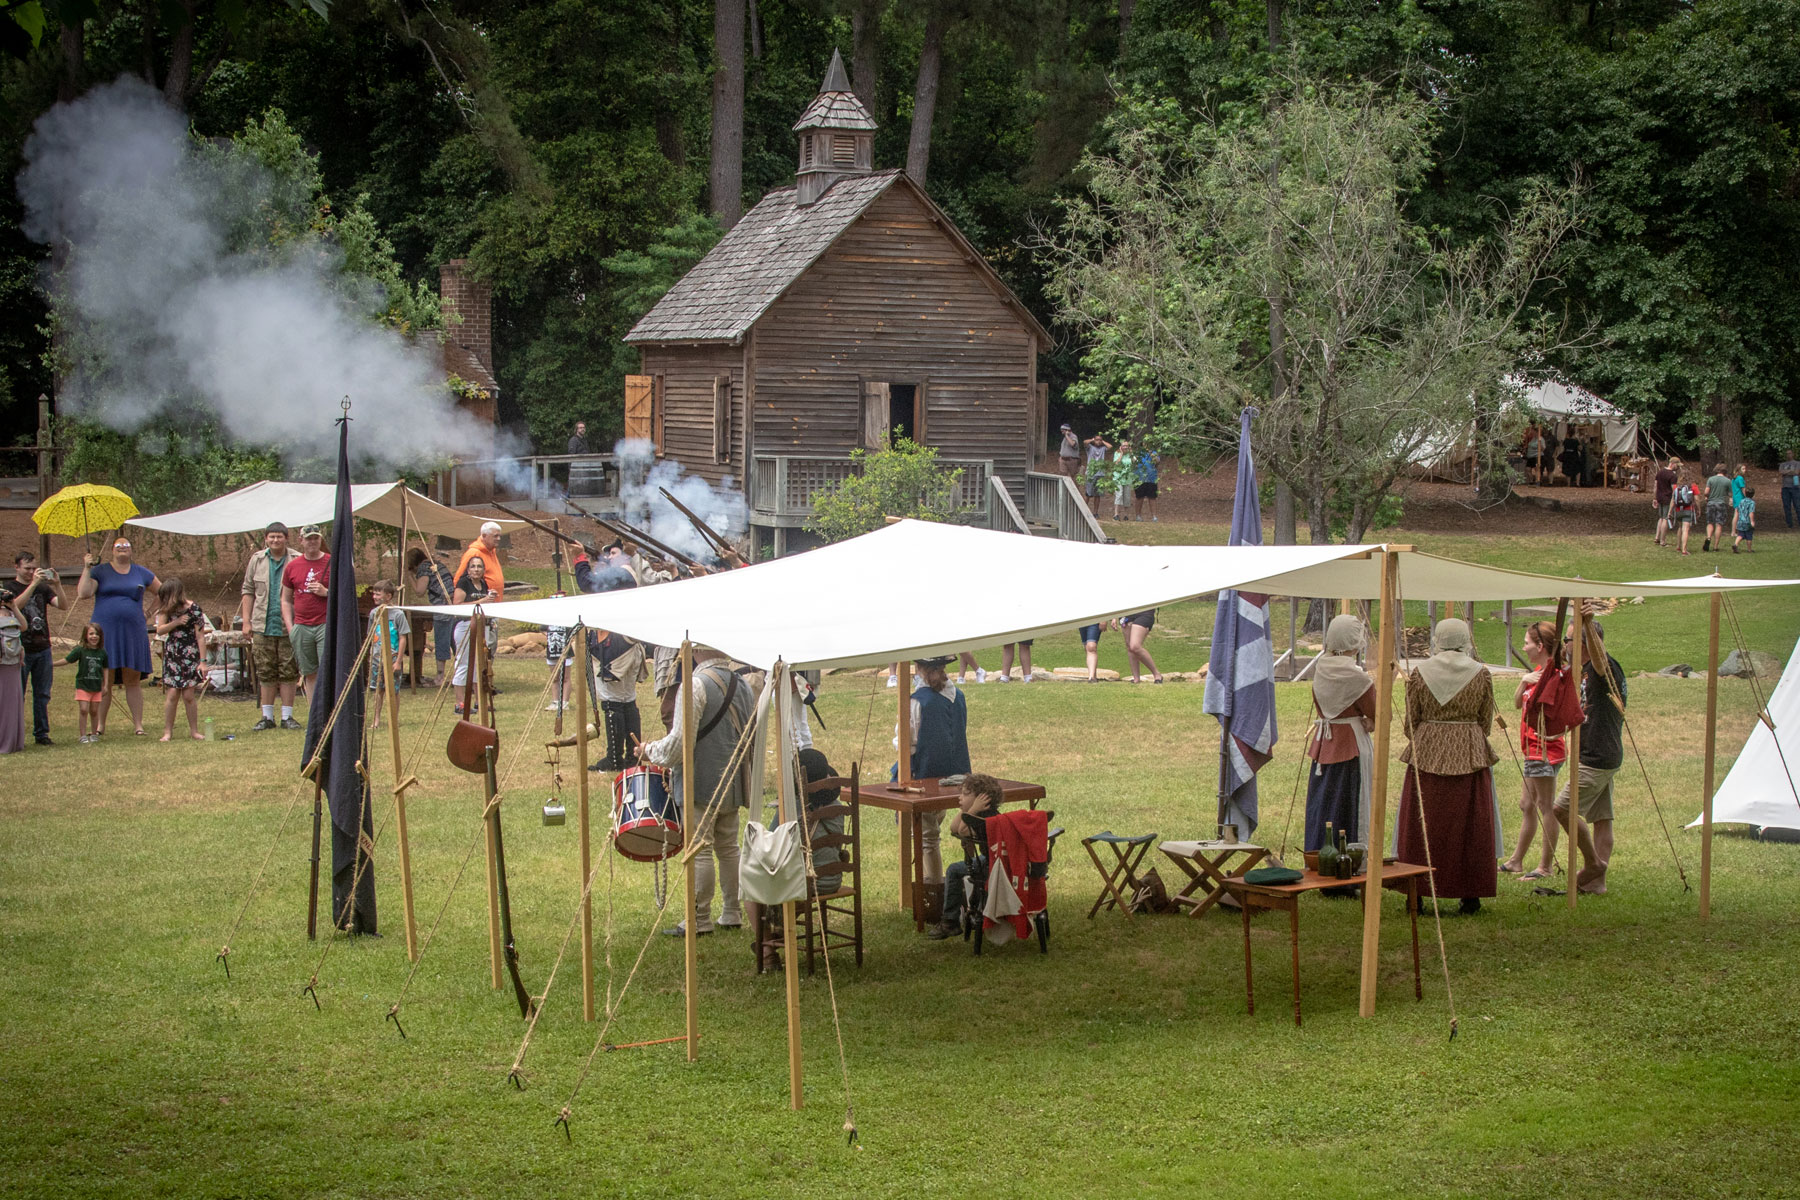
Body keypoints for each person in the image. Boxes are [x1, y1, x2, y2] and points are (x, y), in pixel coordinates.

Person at [639, 646, 755, 935]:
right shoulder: (742, 683)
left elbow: (679, 744)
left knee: (699, 849)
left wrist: (648, 751)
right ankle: (731, 912)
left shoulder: (695, 685)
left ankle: (699, 918)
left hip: (700, 777)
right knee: (728, 847)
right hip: (733, 778)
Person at [1396, 618, 1499, 915]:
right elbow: (1484, 721)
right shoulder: (1481, 674)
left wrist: (1433, 733)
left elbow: (1411, 722)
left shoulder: (1419, 673)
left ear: (1438, 639)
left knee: (1422, 825)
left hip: (1427, 752)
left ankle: (1416, 894)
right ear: (1465, 639)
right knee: (1469, 826)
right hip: (1468, 749)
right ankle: (1470, 894)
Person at [1548, 621, 1626, 897]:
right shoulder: (1586, 670)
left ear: (1585, 643)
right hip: (1604, 753)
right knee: (1602, 818)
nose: (1566, 646)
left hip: (1596, 756)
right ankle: (1597, 884)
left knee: (1562, 809)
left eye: (1569, 640)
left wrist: (1588, 625)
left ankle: (1594, 864)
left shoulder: (1601, 668)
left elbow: (1599, 658)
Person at [896, 655, 971, 918]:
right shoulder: (958, 695)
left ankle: (936, 894)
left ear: (920, 670)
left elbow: (906, 742)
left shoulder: (918, 702)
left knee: (928, 837)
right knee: (930, 834)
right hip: (958, 775)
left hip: (926, 776)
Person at [1501, 621, 1568, 881]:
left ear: (1540, 646)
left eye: (1527, 642)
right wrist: (1523, 681)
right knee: (1526, 804)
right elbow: (1518, 704)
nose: (1523, 646)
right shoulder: (1537, 673)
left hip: (1544, 749)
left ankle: (1545, 867)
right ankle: (1516, 861)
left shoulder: (1553, 675)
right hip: (1532, 749)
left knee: (1545, 805)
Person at [1304, 615, 1376, 854]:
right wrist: (1371, 720)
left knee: (1323, 804)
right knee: (1347, 806)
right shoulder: (1357, 677)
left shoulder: (1321, 667)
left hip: (1324, 744)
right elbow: (1376, 713)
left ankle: (1319, 857)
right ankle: (1348, 864)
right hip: (1349, 745)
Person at [77, 538, 159, 737]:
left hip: (133, 630)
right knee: (106, 678)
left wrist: (148, 614)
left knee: (133, 678)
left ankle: (138, 725)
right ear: (112, 551)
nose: (122, 548)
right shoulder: (100, 571)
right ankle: (100, 726)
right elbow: (83, 593)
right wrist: (87, 568)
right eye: (118, 546)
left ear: (132, 551)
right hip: (106, 631)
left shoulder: (141, 572)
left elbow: (164, 593)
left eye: (126, 546)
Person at [926, 772, 1005, 940]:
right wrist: (966, 809)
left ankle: (950, 921)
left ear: (982, 798)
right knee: (958, 867)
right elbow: (954, 828)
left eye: (965, 794)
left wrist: (972, 809)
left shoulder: (983, 818)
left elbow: (962, 830)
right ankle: (951, 920)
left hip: (994, 864)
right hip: (994, 860)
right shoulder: (983, 815)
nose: (960, 797)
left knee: (954, 870)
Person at [241, 522, 300, 730]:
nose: (275, 540)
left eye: (279, 537)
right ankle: (267, 717)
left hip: (288, 626)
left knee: (289, 670)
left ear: (287, 538)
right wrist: (246, 621)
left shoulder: (297, 559)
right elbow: (248, 590)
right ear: (266, 538)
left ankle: (287, 717)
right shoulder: (257, 560)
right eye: (271, 537)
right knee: (265, 671)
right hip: (261, 625)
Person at [6, 550, 64, 745]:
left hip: (43, 647)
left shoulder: (43, 588)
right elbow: (14, 606)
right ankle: (15, 733)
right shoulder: (9, 588)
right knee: (17, 694)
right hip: (20, 648)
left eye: (34, 568)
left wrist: (57, 585)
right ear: (17, 567)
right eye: (27, 568)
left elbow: (62, 605)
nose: (31, 572)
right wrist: (32, 585)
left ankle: (42, 734)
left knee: (42, 693)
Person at [153, 576, 207, 742]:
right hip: (173, 654)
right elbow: (160, 631)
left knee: (189, 695)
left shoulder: (194, 609)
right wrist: (175, 622)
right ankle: (167, 732)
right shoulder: (166, 610)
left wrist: (203, 662)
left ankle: (194, 731)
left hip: (190, 654)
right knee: (172, 694)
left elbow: (200, 636)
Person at [281, 525, 331, 700]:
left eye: (316, 538)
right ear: (301, 540)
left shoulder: (332, 562)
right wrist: (291, 627)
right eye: (308, 538)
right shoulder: (292, 566)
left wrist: (326, 592)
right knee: (309, 673)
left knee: (327, 670)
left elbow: (346, 593)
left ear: (320, 540)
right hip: (301, 626)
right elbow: (286, 599)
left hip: (325, 623)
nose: (312, 542)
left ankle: (329, 713)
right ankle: (314, 716)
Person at [450, 554, 499, 711]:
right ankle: (460, 703)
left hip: (481, 625)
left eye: (479, 566)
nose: (476, 569)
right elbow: (457, 605)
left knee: (480, 663)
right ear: (468, 570)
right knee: (463, 663)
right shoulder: (464, 583)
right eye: (473, 566)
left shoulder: (483, 584)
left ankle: (480, 701)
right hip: (465, 625)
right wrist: (481, 601)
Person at [592, 627, 645, 771]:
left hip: (619, 650)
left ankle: (614, 759)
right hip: (627, 647)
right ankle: (632, 758)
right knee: (626, 700)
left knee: (614, 701)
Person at [406, 546, 456, 688]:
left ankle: (440, 678)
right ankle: (461, 675)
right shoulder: (436, 564)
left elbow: (419, 591)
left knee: (441, 642)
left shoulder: (424, 568)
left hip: (443, 608)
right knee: (455, 641)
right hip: (454, 605)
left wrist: (409, 575)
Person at [364, 580, 410, 727]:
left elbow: (403, 638)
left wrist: (398, 661)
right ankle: (376, 719)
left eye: (378, 594)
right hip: (377, 658)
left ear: (388, 596)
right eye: (374, 594)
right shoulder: (374, 613)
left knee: (393, 690)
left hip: (393, 659)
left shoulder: (398, 614)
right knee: (378, 689)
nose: (375, 597)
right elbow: (371, 635)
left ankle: (393, 720)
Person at [65, 624, 108, 743]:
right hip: (83, 685)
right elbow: (67, 660)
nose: (94, 636)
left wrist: (106, 684)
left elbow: (105, 668)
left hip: (96, 686)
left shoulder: (102, 652)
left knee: (94, 711)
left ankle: (94, 734)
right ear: (85, 636)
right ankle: (82, 735)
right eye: (91, 634)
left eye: (97, 634)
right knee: (84, 709)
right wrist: (51, 664)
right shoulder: (80, 650)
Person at [457, 520, 507, 594]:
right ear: (484, 536)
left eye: (499, 536)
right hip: (481, 601)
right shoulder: (474, 553)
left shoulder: (492, 551)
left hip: (494, 601)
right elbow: (459, 580)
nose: (499, 539)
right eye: (495, 536)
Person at [1113, 610, 1162, 683]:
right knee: (1129, 646)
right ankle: (1136, 678)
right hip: (1126, 612)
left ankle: (1157, 674)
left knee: (1135, 646)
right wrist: (1113, 617)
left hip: (1144, 611)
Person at [0, 595, 21, 754]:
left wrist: (13, 606)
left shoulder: (11, 613)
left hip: (12, 662)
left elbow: (24, 626)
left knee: (10, 702)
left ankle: (10, 740)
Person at [1702, 464, 1732, 552]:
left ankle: (1708, 538)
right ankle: (1715, 547)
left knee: (1710, 523)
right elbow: (1730, 494)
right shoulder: (1727, 481)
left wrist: (1707, 496)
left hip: (1711, 503)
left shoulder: (1711, 479)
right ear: (1725, 471)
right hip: (1721, 503)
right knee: (1719, 525)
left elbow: (1706, 492)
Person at [1082, 432, 1112, 517]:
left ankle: (1095, 512)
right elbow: (1085, 442)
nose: (1098, 441)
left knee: (1098, 494)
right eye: (1097, 440)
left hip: (1101, 474)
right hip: (1091, 473)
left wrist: (1103, 441)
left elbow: (1110, 447)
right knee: (1088, 493)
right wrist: (1092, 440)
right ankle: (1084, 511)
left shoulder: (1103, 448)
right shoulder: (1090, 447)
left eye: (1100, 440)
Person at [1652, 457, 1679, 547]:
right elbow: (1674, 489)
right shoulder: (1672, 475)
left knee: (1661, 518)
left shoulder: (1660, 472)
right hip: (1668, 498)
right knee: (1666, 518)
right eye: (1677, 465)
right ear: (1673, 464)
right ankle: (1662, 541)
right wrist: (1676, 499)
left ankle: (1657, 537)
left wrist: (1655, 498)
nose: (1678, 467)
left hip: (1659, 497)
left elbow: (1655, 486)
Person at [1670, 470, 1698, 555]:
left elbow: (1673, 500)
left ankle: (1678, 546)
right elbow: (1696, 499)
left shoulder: (1676, 487)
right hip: (1688, 509)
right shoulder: (1693, 486)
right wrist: (1698, 509)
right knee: (1686, 529)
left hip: (1678, 510)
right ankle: (1684, 550)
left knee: (1680, 527)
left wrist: (1670, 511)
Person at [1132, 446, 1161, 521]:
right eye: (1145, 443)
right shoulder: (1138, 453)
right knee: (1139, 497)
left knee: (1152, 497)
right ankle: (1138, 516)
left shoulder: (1154, 453)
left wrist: (1151, 454)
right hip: (1139, 478)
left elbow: (1157, 462)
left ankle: (1154, 516)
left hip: (1151, 478)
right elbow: (1133, 462)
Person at [1733, 486, 1757, 553]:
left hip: (1740, 521)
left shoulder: (1741, 501)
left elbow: (1738, 510)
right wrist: (1752, 521)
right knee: (1749, 536)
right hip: (1747, 522)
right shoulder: (1752, 503)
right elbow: (1751, 513)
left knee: (1740, 534)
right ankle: (1749, 549)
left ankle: (1735, 544)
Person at [1780, 452, 1800, 528]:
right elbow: (1781, 472)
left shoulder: (1797, 463)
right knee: (1786, 506)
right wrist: (1791, 472)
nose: (1789, 455)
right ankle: (1789, 523)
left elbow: (1797, 472)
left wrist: (1786, 472)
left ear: (1793, 454)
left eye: (1790, 453)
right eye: (1787, 453)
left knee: (1797, 506)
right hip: (1785, 488)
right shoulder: (1783, 464)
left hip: (1795, 487)